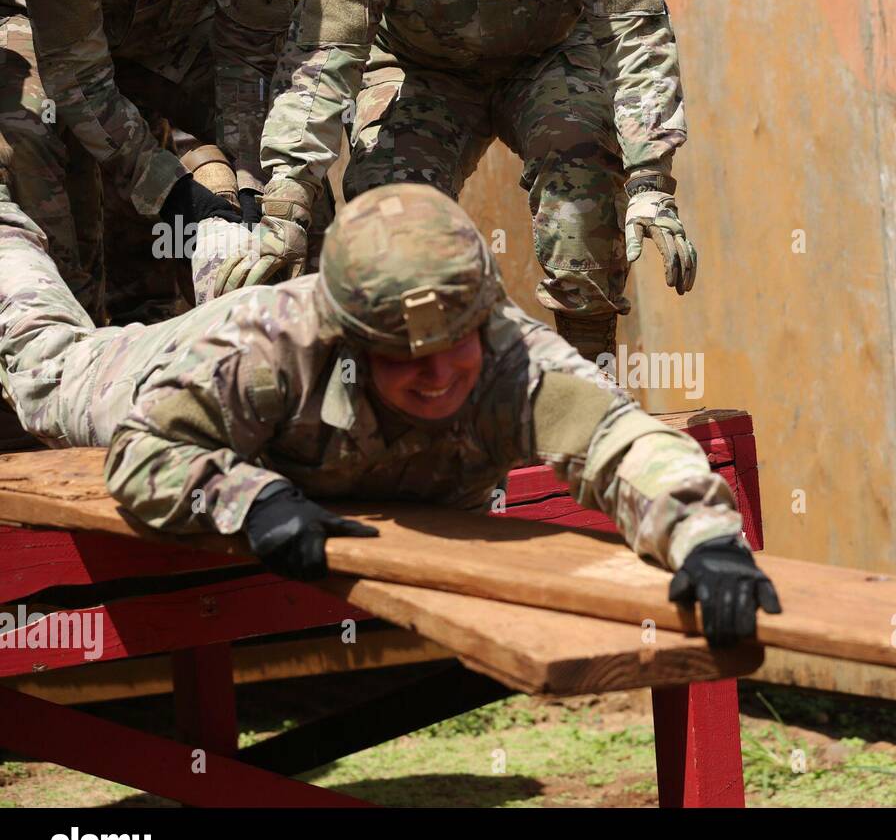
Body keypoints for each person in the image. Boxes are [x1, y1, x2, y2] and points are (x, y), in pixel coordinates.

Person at [0, 153, 778, 645]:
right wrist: (252, 502)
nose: (437, 375)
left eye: (454, 349)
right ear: (350, 342)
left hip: (259, 390)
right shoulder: (279, 349)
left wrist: (705, 540)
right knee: (42, 362)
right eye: (403, 360)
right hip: (172, 364)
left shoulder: (516, 360)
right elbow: (146, 454)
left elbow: (624, 445)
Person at [226, 0, 698, 361]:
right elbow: (323, 60)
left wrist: (650, 180)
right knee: (389, 206)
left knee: (581, 162)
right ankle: (428, 384)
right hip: (419, 70)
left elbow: (637, 37)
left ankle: (589, 370)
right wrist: (288, 198)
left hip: (548, 58)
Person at [5, 0, 292, 324]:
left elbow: (249, 56)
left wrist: (251, 177)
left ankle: (299, 318)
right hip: (57, 38)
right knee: (31, 131)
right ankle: (72, 333)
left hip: (171, 35)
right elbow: (79, 79)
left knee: (286, 133)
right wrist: (175, 193)